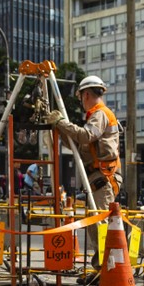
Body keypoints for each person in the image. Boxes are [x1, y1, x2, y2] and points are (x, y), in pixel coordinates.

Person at [45, 75, 121, 211]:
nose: (81, 102)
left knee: (100, 221)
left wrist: (61, 122)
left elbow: (86, 136)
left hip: (103, 178)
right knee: (95, 220)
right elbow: (79, 146)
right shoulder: (97, 115)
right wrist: (60, 129)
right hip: (99, 178)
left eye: (80, 98)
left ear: (86, 95)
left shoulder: (100, 114)